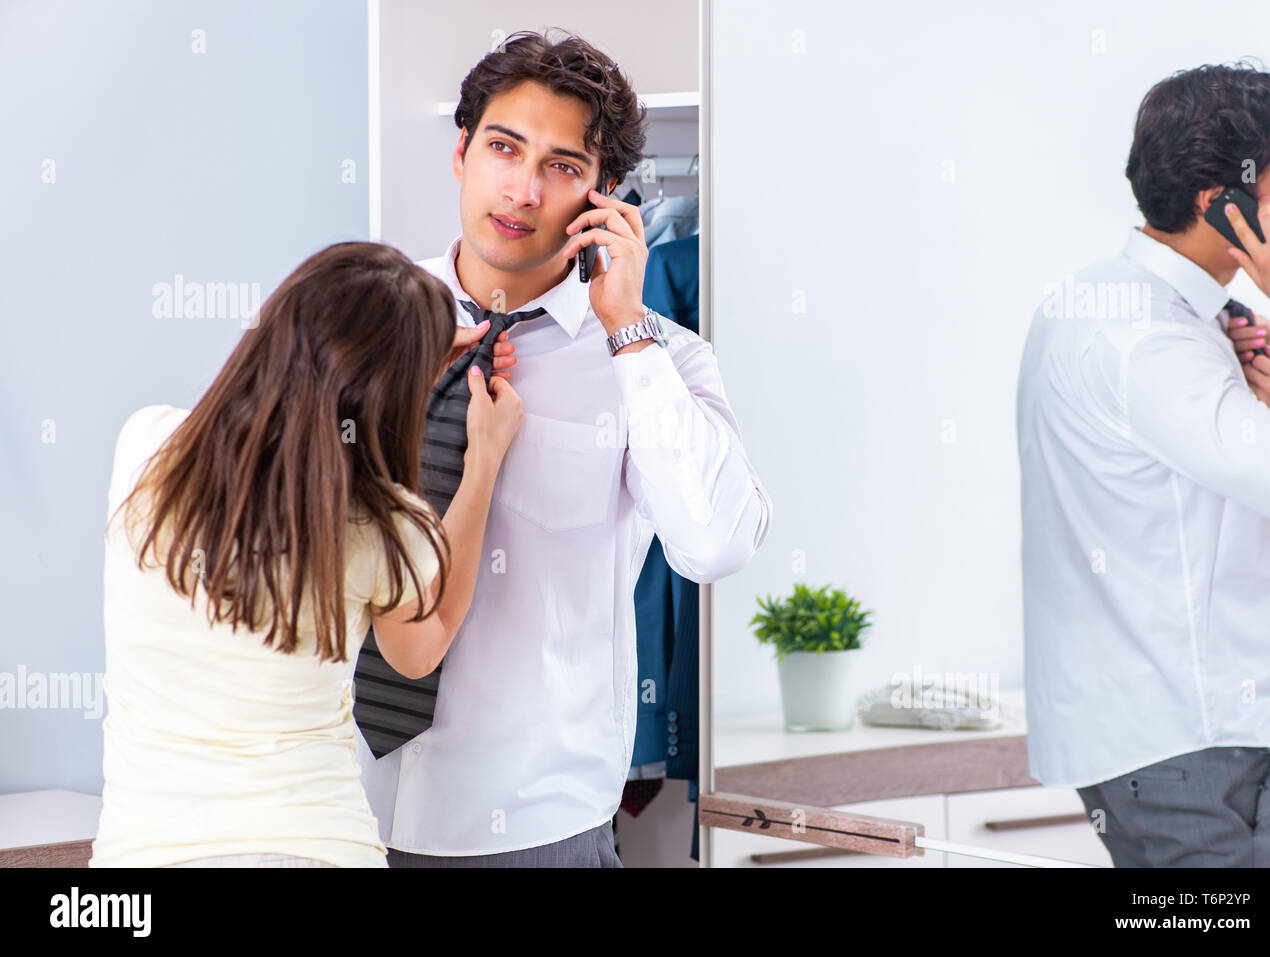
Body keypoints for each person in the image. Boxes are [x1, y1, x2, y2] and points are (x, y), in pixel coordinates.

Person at [358, 29, 773, 867]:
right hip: (334, 810)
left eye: (562, 167)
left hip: (533, 822)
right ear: (462, 153)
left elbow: (716, 543)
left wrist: (626, 329)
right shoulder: (362, 318)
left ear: (604, 197)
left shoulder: (659, 360)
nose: (521, 188)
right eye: (505, 149)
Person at [89, 242, 521, 867]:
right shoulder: (386, 525)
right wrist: (483, 462)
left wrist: (405, 362)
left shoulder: (147, 446)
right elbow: (419, 651)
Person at [1016, 62, 1270, 867]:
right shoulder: (1150, 341)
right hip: (1185, 745)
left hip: (1184, 736)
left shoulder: (1120, 304)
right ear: (1222, 205)